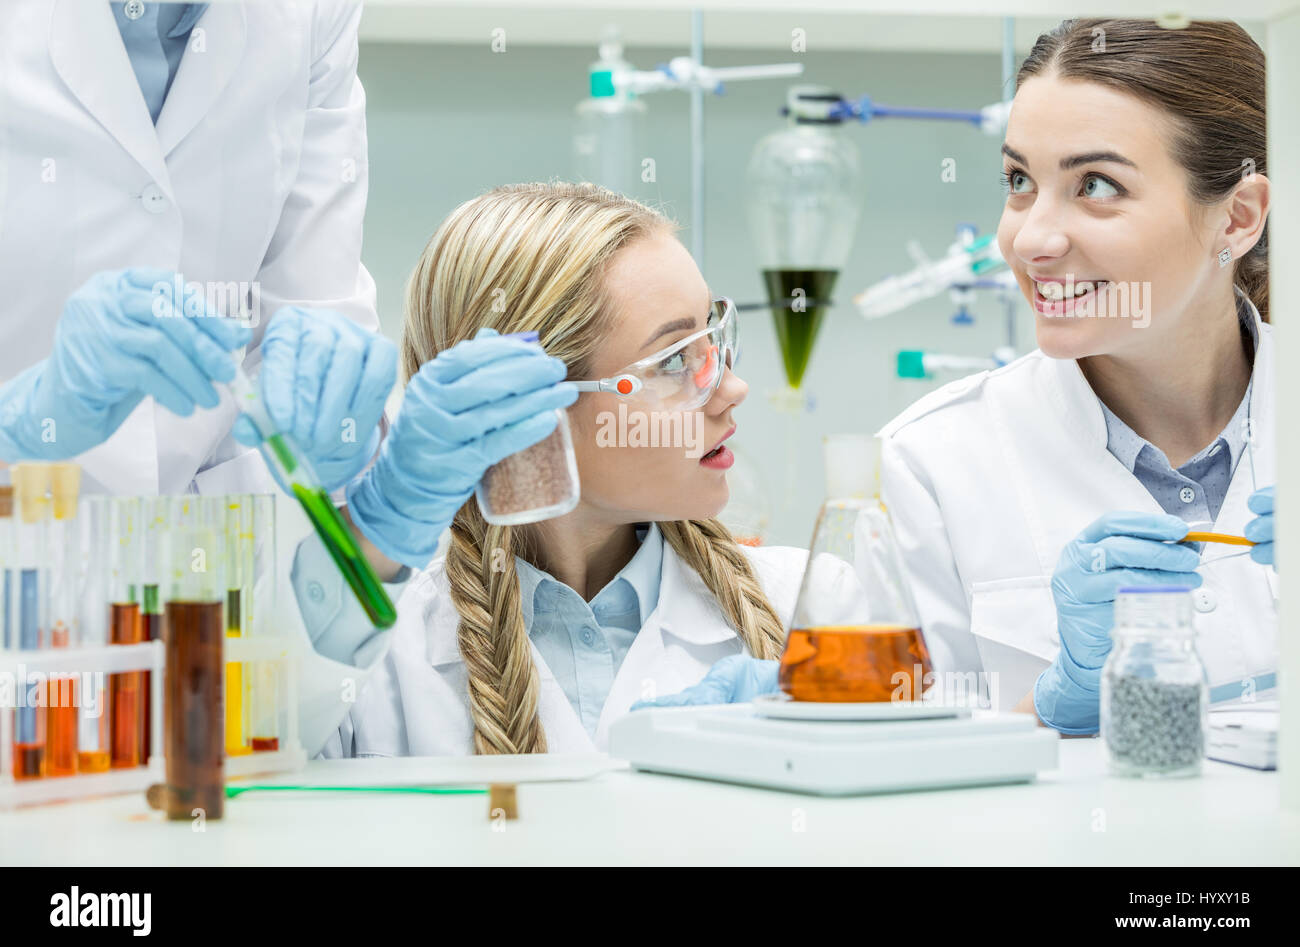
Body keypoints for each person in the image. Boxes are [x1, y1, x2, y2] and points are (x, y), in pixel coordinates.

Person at [283, 182, 814, 756]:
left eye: (715, 338)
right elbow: (242, 773)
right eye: (674, 359)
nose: (732, 389)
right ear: (525, 404)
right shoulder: (366, 655)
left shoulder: (809, 607)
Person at [878, 18, 1275, 734]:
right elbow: (907, 769)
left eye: (1095, 184)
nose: (1032, 239)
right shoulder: (934, 460)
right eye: (1020, 181)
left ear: (1237, 217)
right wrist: (1061, 702)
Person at [0, 2, 381, 495]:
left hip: (206, 552)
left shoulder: (311, 14)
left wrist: (349, 446)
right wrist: (22, 430)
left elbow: (311, 334)